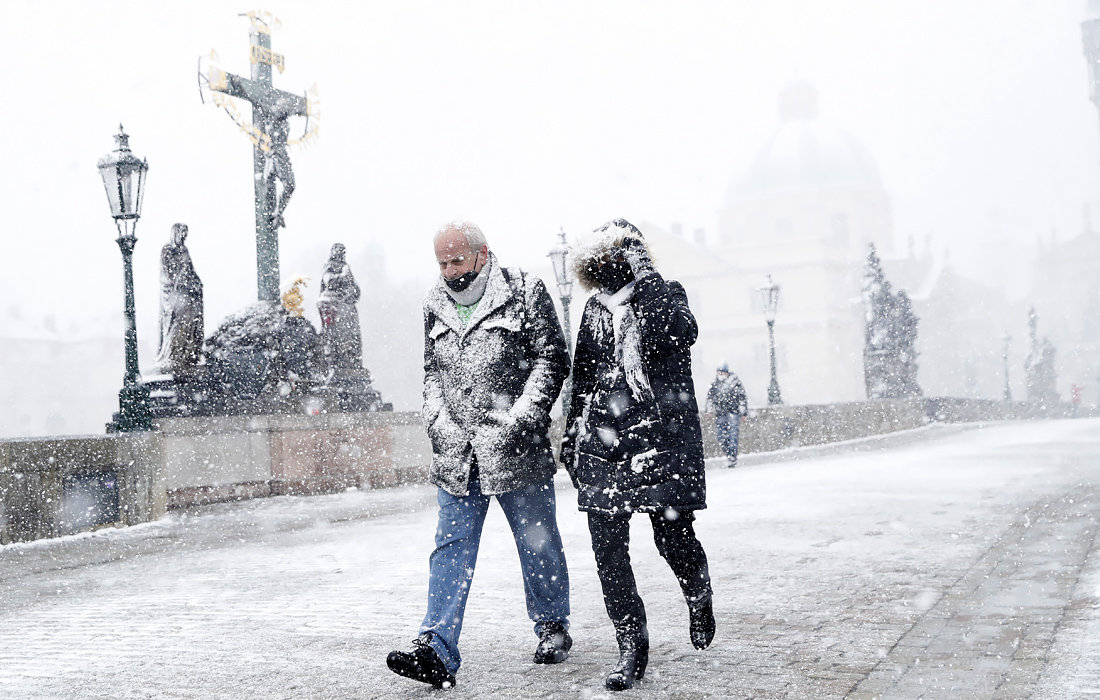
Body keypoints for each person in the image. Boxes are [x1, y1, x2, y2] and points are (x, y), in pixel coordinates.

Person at [387, 221, 572, 689]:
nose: (449, 271)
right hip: (457, 453)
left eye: (456, 261)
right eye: (441, 263)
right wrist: (438, 422)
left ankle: (552, 625)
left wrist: (522, 419)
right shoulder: (433, 303)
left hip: (516, 448)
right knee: (450, 549)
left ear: (482, 254)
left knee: (538, 542)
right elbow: (431, 375)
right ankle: (436, 646)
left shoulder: (525, 291)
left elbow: (552, 359)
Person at [561, 219, 715, 691]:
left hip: (658, 440)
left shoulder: (666, 294)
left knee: (673, 540)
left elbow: (675, 332)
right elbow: (583, 374)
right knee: (608, 552)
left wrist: (646, 277)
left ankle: (698, 592)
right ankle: (631, 645)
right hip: (604, 444)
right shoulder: (593, 309)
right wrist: (571, 434)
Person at [151, 223, 203, 376]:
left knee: (191, 322)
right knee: (177, 323)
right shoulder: (167, 250)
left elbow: (190, 270)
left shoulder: (184, 250)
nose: (184, 237)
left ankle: (187, 354)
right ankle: (173, 354)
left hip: (188, 293)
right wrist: (180, 281)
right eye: (182, 233)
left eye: (185, 234)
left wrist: (195, 282)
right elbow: (167, 274)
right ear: (175, 234)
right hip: (176, 294)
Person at [705, 363, 748, 467]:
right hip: (720, 414)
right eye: (719, 372)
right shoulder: (715, 384)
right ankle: (729, 454)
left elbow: (742, 397)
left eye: (722, 372)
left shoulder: (735, 382)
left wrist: (743, 413)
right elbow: (710, 398)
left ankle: (732, 457)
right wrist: (708, 410)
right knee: (721, 438)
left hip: (732, 413)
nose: (720, 374)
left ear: (727, 373)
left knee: (733, 436)